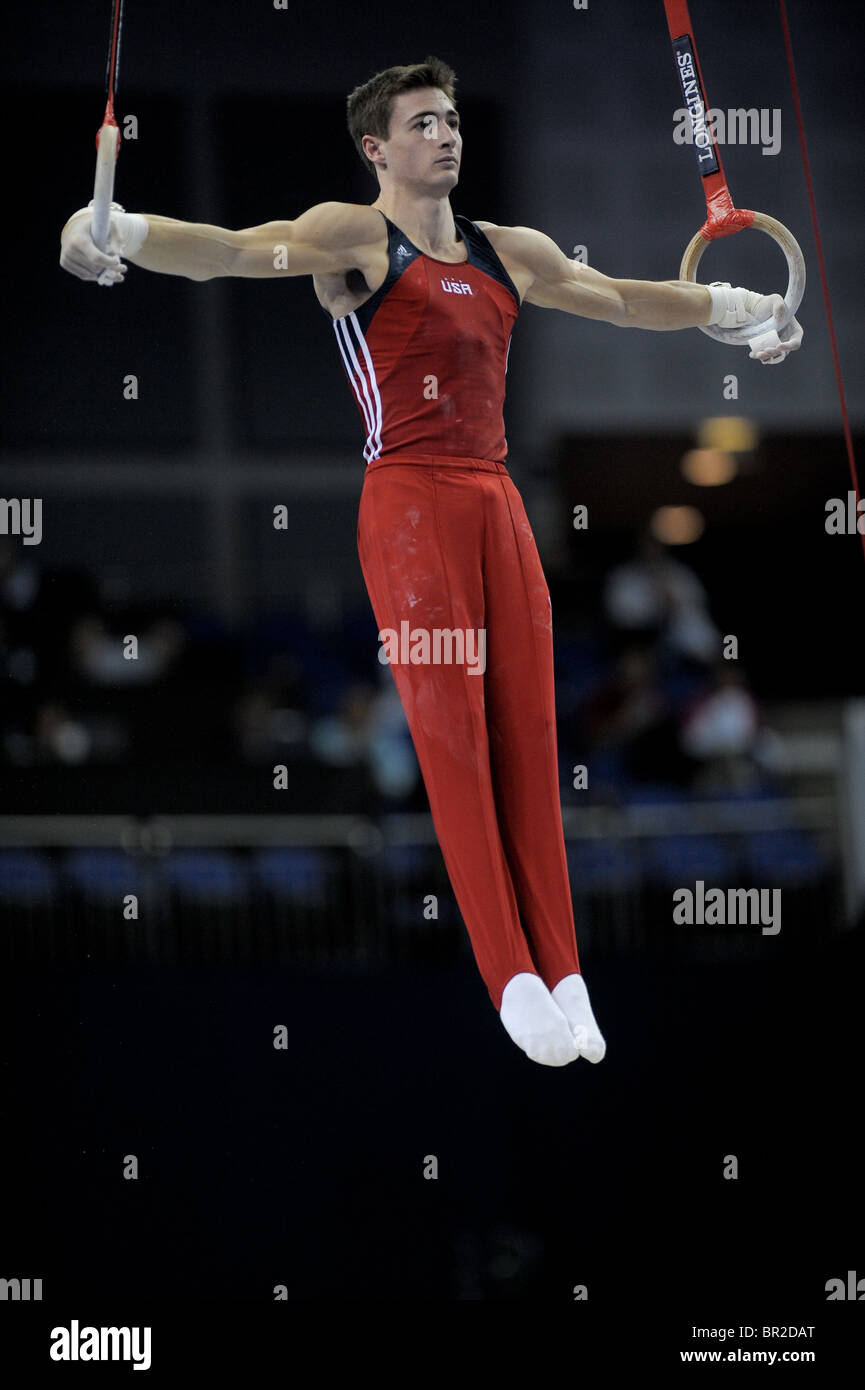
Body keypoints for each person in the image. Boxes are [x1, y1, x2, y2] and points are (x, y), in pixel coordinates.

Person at [58, 55, 802, 1067]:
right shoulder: (353, 236)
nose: (445, 134)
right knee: (451, 733)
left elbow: (625, 299)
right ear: (377, 147)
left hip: (494, 501)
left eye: (450, 119)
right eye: (422, 123)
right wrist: (120, 233)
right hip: (407, 504)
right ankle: (510, 975)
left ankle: (567, 967)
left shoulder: (512, 251)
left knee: (528, 732)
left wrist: (733, 308)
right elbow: (234, 251)